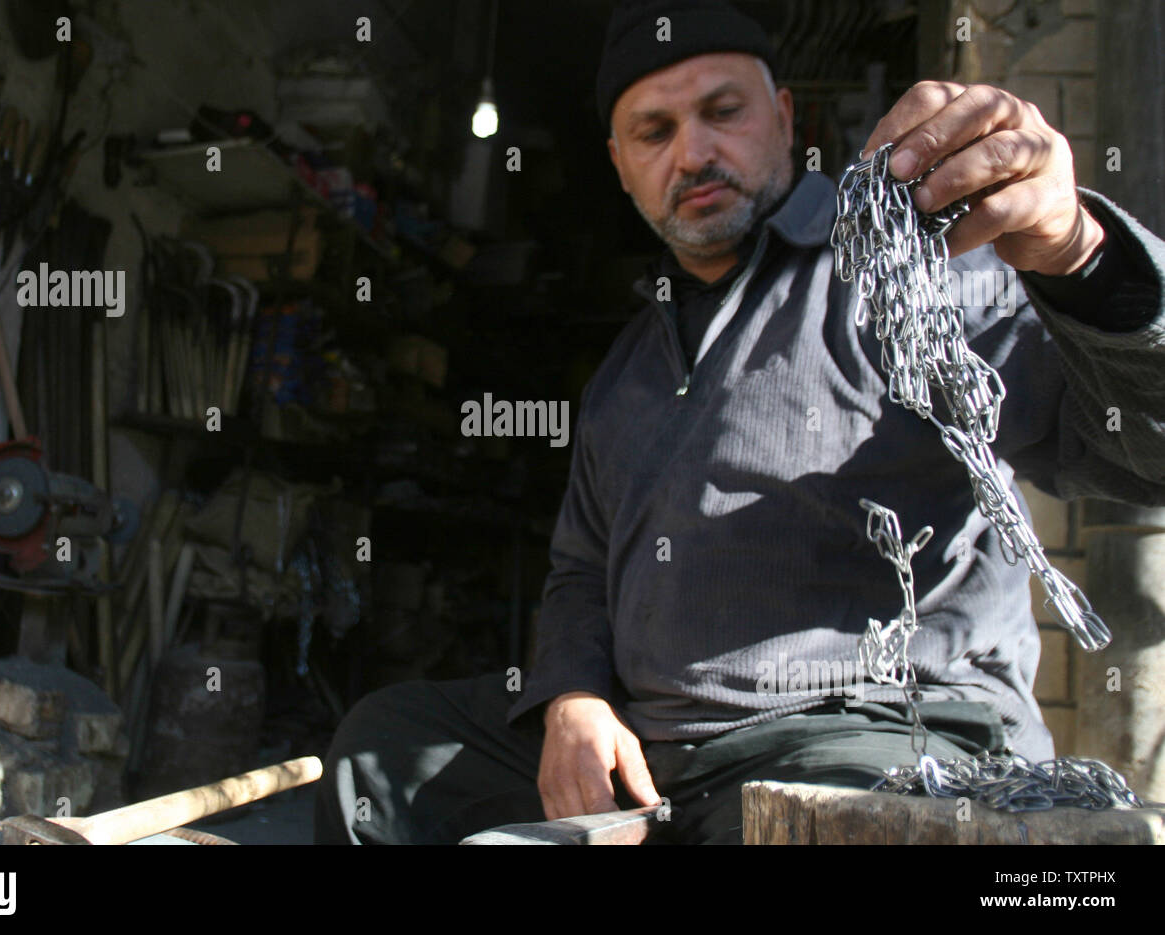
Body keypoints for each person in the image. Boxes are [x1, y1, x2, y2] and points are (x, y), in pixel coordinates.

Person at [313, 0, 1165, 844]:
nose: (693, 153)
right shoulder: (626, 372)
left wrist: (1077, 253)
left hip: (864, 736)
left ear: (785, 117)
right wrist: (573, 696)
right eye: (654, 132)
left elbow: (1145, 453)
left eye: (723, 112)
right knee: (380, 750)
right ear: (619, 165)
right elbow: (579, 569)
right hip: (652, 755)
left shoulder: (907, 271)